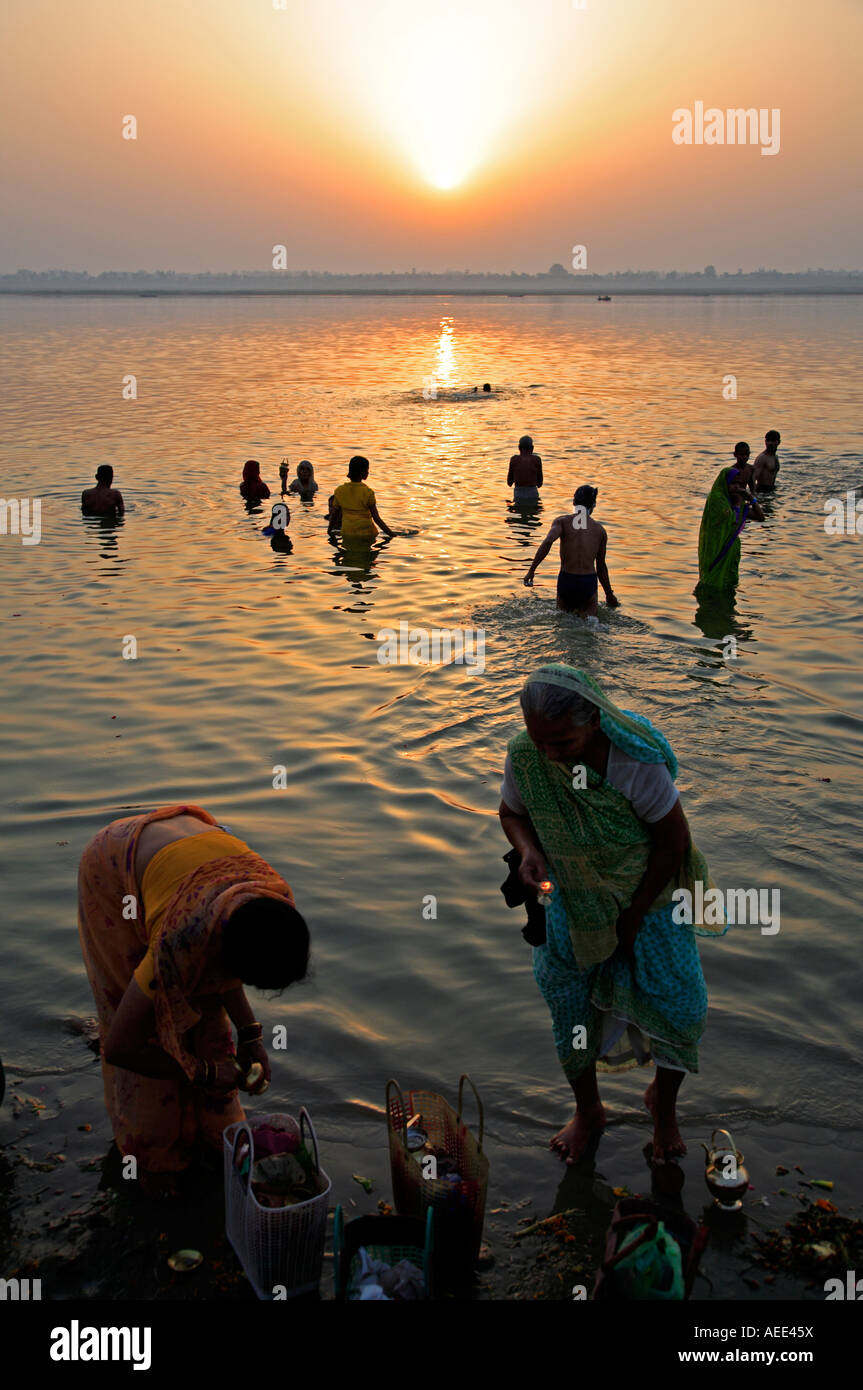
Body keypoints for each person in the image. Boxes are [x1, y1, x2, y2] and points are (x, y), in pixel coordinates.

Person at [499, 665, 725, 1165]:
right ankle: (589, 1111)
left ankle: (663, 1109)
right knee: (568, 1000)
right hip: (574, 898)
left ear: (595, 722)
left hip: (652, 896)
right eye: (541, 743)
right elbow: (511, 812)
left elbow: (673, 840)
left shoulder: (634, 762)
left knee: (681, 1005)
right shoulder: (526, 755)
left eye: (564, 742)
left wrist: (634, 914)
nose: (550, 755)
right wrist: (529, 851)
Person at [77, 805, 309, 1191]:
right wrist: (200, 1072)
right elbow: (120, 1047)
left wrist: (250, 1035)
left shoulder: (270, 900)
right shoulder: (179, 941)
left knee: (207, 1023)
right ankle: (152, 1153)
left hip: (187, 861)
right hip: (113, 869)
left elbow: (222, 970)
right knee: (139, 1024)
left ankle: (209, 1131)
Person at [524, 485, 618, 616]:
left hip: (567, 580)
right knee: (590, 626)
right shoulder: (600, 531)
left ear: (574, 502)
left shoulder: (562, 522)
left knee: (563, 623)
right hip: (587, 582)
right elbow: (601, 566)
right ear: (594, 505)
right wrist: (609, 595)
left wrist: (531, 570)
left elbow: (548, 542)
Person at [697, 446, 764, 590]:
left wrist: (750, 498)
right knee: (712, 587)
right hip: (716, 551)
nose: (737, 487)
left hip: (731, 554)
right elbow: (731, 519)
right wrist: (738, 504)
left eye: (739, 484)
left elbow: (761, 517)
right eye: (733, 483)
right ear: (724, 483)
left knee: (729, 590)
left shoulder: (737, 501)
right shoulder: (717, 499)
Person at [328, 456, 394, 539]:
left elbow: (335, 515)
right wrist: (391, 534)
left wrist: (329, 530)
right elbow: (376, 518)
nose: (368, 472)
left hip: (347, 534)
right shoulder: (368, 492)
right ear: (363, 473)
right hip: (367, 534)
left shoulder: (339, 491)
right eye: (367, 470)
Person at [507, 435, 543, 503]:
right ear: (532, 448)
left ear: (519, 448)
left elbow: (509, 483)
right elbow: (539, 484)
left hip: (519, 495)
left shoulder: (514, 460)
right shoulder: (537, 460)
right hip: (533, 494)